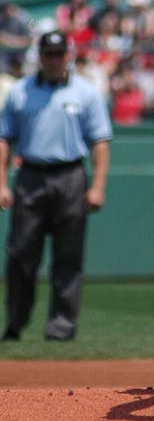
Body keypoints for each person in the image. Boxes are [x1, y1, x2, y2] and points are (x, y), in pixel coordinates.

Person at [0, 31, 112, 341]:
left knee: (68, 255)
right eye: (48, 54)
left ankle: (61, 328)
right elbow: (4, 138)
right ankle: (15, 323)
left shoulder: (85, 93)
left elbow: (100, 143)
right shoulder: (20, 92)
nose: (53, 60)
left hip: (70, 175)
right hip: (30, 174)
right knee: (21, 252)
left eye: (59, 53)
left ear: (68, 55)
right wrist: (2, 183)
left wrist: (98, 186)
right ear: (41, 56)